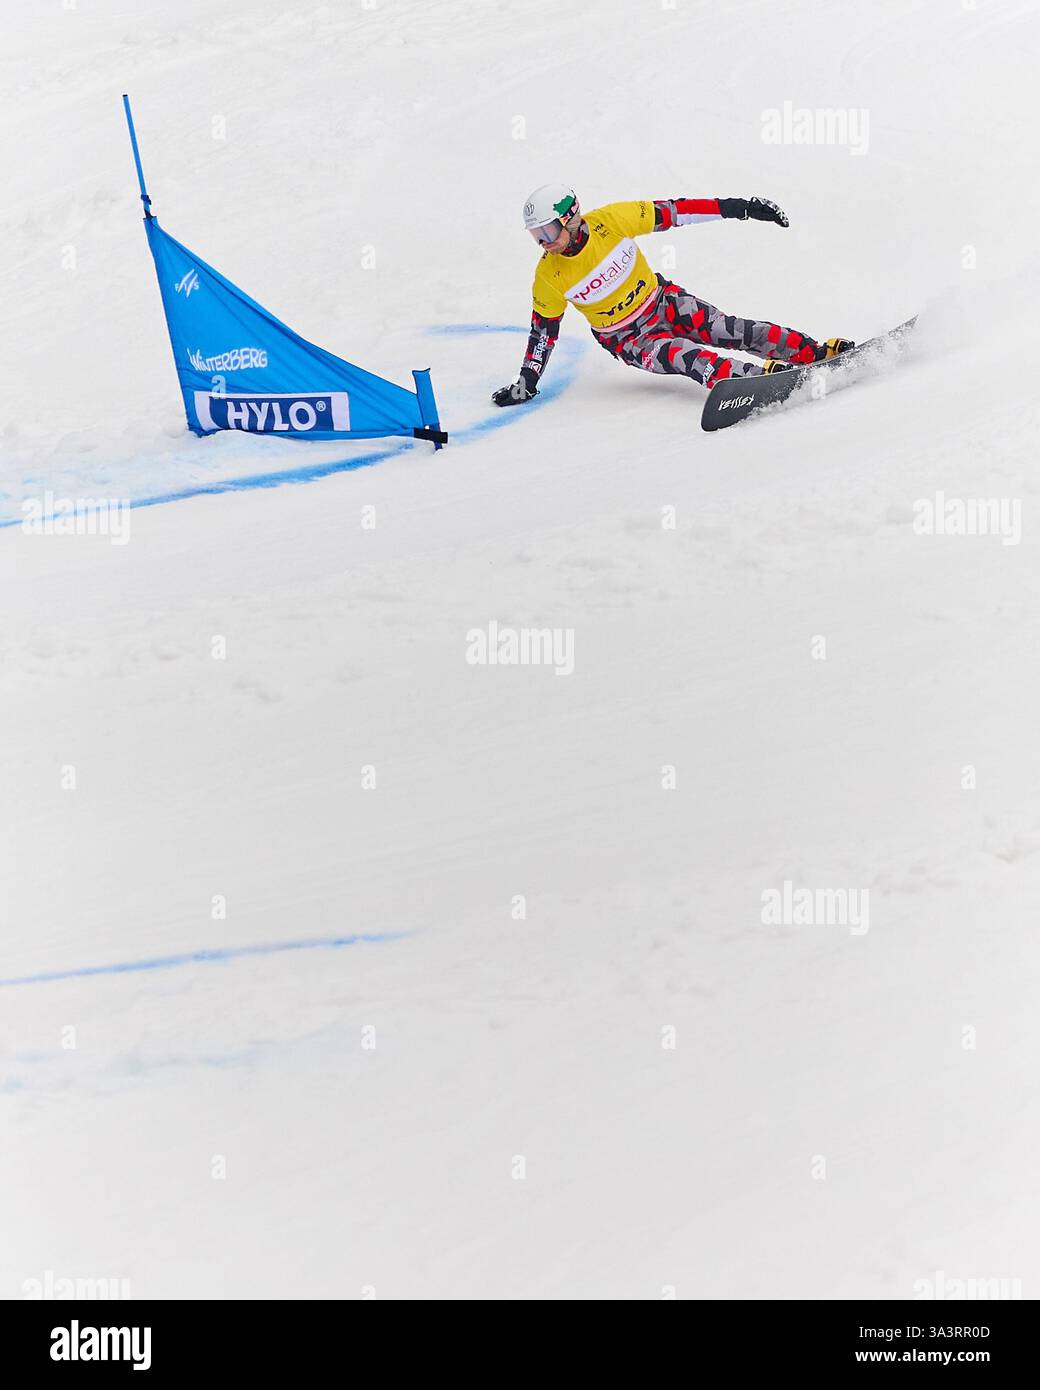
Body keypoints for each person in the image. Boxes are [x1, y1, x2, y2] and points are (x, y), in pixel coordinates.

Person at [492, 184, 853, 407]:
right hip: (626, 338)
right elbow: (543, 333)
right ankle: (754, 378)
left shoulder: (613, 221)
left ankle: (813, 353)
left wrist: (741, 207)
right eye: (535, 236)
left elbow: (679, 211)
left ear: (571, 218)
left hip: (663, 302)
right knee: (685, 355)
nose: (544, 242)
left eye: (548, 230)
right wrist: (527, 381)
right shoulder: (548, 276)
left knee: (731, 329)